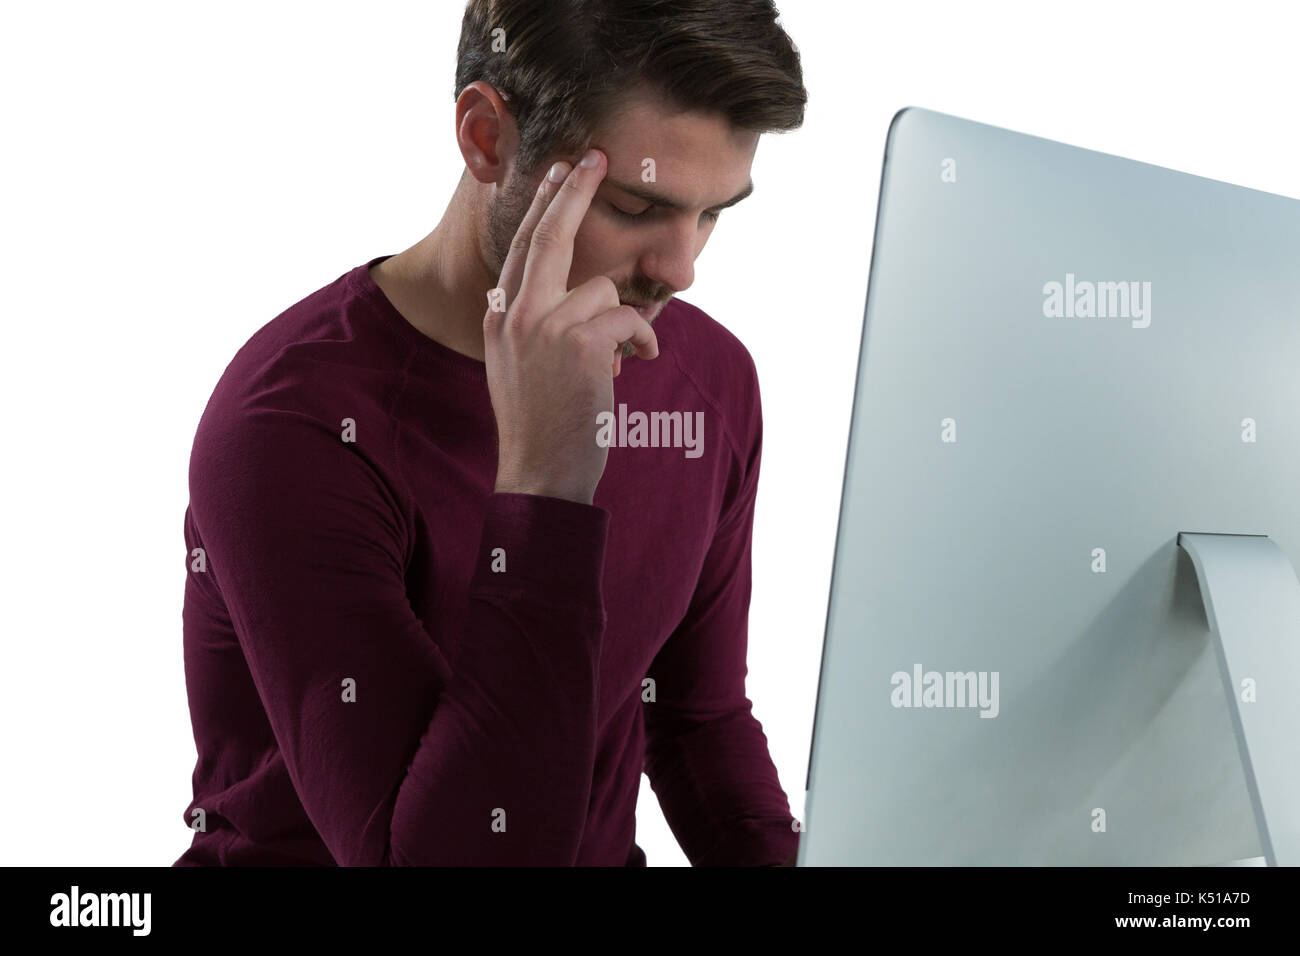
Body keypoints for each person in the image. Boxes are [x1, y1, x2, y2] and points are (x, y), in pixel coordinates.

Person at [175, 0, 807, 866]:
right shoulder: (291, 425)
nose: (681, 269)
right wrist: (547, 488)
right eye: (634, 206)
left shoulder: (709, 381)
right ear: (485, 136)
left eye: (713, 213)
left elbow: (697, 722)